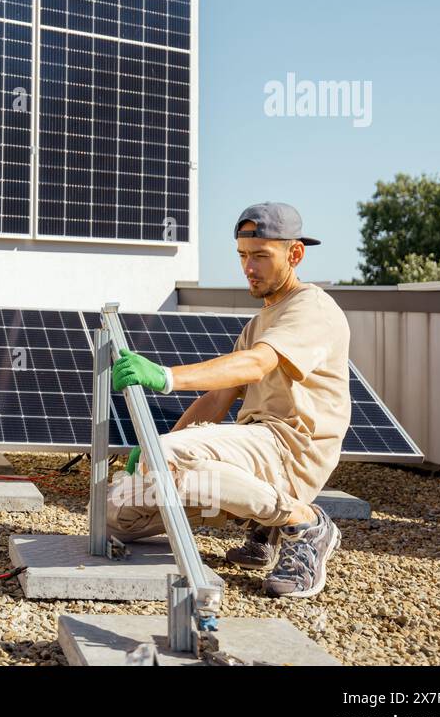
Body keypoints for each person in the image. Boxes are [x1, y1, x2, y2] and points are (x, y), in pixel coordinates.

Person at [105, 202, 351, 598]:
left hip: (290, 448)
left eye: (260, 256)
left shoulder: (312, 307)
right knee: (116, 516)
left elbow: (256, 364)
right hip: (253, 446)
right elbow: (217, 399)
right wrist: (153, 446)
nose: (249, 268)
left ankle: (303, 522)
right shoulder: (256, 325)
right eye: (242, 256)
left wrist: (167, 377)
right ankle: (264, 522)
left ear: (295, 254)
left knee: (170, 459)